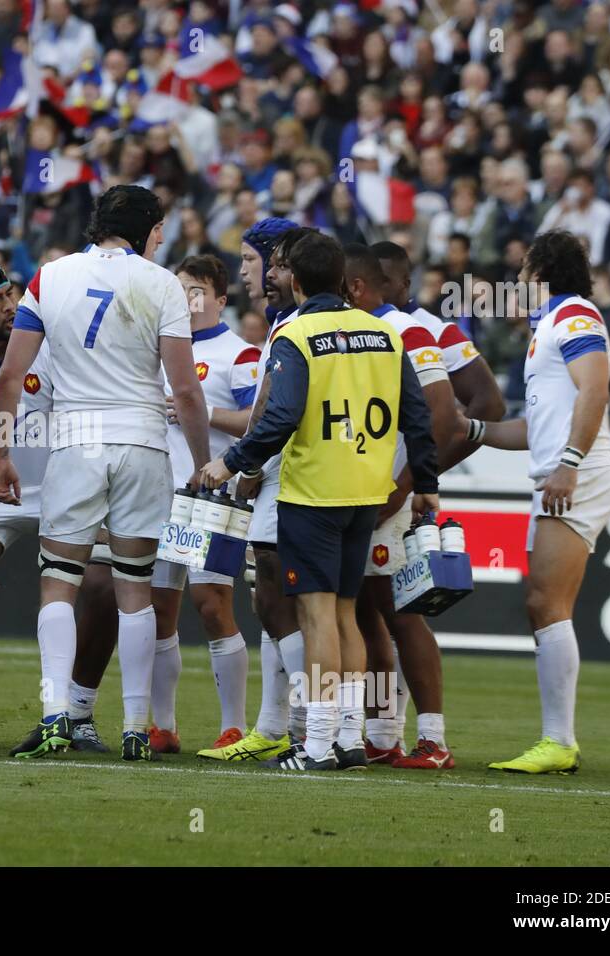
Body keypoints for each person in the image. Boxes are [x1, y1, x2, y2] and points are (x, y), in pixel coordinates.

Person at [201, 231, 439, 771]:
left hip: (313, 492)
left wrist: (230, 462)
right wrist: (425, 482)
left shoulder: (298, 334)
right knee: (348, 614)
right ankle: (351, 737)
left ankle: (316, 745)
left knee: (316, 617)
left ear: (299, 280)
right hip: (368, 493)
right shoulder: (383, 333)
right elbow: (417, 415)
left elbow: (280, 417)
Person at [0, 184, 211, 762]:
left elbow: (11, 376)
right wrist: (205, 459)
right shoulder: (162, 284)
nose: (163, 237)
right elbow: (185, 390)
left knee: (59, 582)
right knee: (135, 588)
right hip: (141, 443)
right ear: (142, 228)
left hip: (75, 443)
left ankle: (55, 714)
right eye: (159, 226)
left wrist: (0, 452)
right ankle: (136, 726)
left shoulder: (50, 275)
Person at [467, 230, 610, 775]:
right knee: (541, 603)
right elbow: (535, 429)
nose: (517, 283)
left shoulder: (575, 315)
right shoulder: (549, 327)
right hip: (562, 474)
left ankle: (559, 741)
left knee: (545, 603)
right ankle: (558, 740)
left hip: (578, 475)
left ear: (540, 274)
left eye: (523, 273)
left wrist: (571, 462)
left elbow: (595, 390)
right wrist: (473, 430)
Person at [341, 244, 460, 769]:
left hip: (390, 495)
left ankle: (433, 739)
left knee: (404, 613)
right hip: (361, 493)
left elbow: (441, 415)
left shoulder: (405, 332)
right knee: (370, 615)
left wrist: (410, 486)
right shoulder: (360, 331)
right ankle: (384, 732)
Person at [198, 218, 308, 763]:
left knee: (277, 593)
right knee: (272, 600)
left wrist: (245, 464)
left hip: (293, 476)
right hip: (283, 474)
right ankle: (275, 725)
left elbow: (273, 409)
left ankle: (315, 726)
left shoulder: (298, 323)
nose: (244, 269)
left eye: (249, 258)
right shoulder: (281, 319)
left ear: (278, 261)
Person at [143, 254, 261, 755]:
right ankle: (163, 726)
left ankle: (233, 724)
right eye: (179, 290)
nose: (187, 300)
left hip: (211, 498)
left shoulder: (242, 354)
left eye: (196, 291)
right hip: (154, 494)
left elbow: (260, 422)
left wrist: (204, 410)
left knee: (212, 605)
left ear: (219, 299)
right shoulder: (156, 350)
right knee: (157, 610)